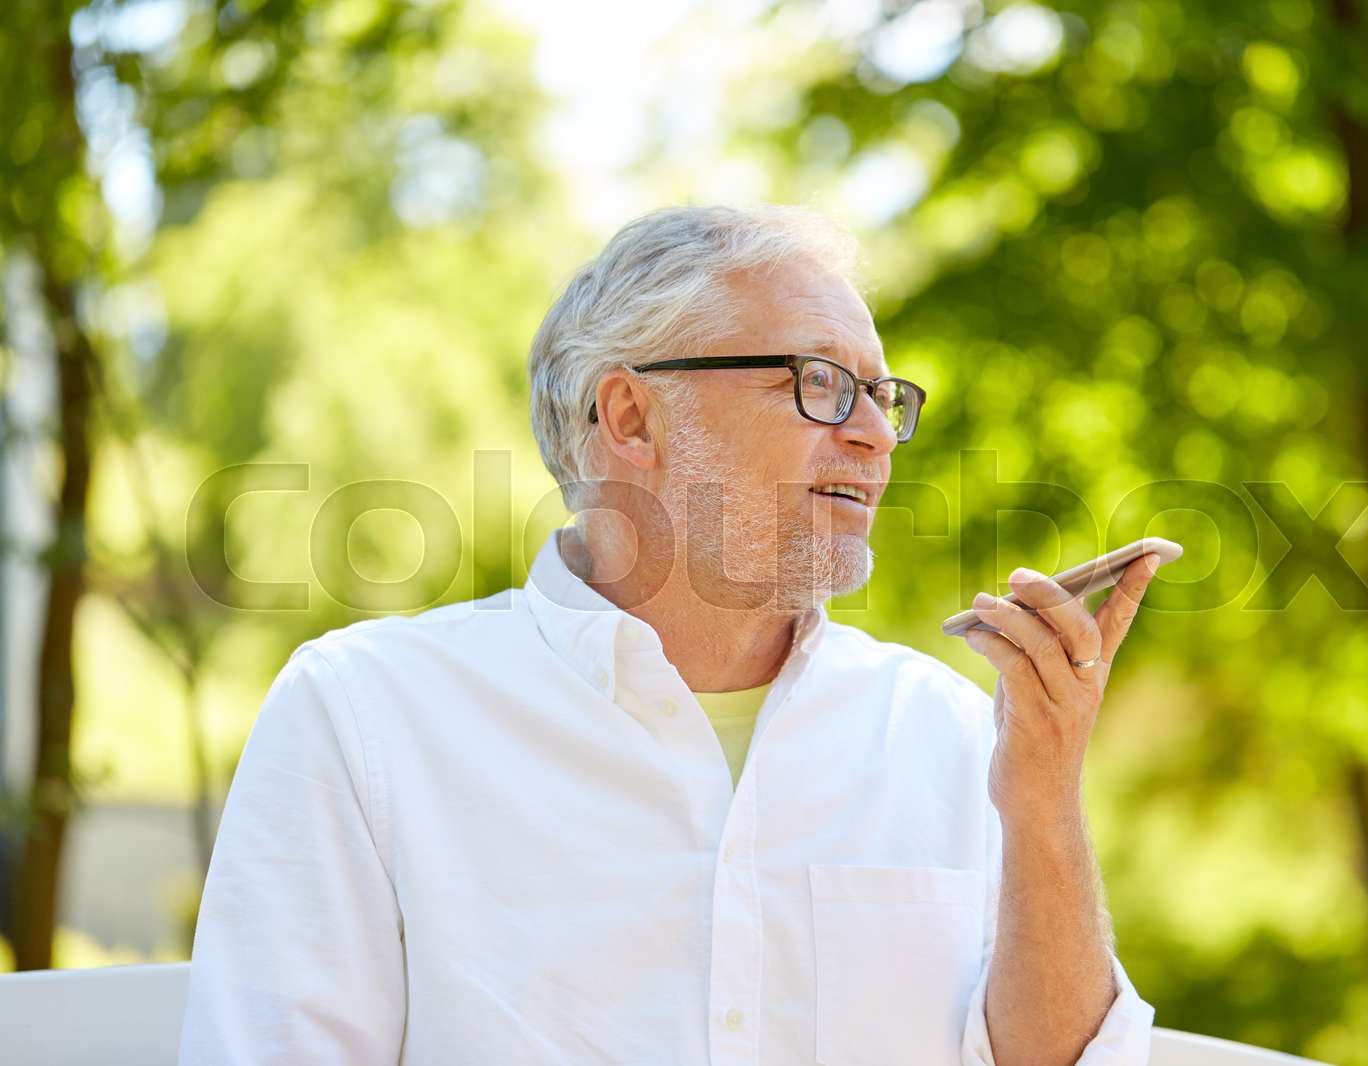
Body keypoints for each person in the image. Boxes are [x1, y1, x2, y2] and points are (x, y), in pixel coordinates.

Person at [177, 203, 1160, 1065]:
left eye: (882, 395)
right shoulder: (364, 716)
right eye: (821, 382)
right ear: (632, 417)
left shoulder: (948, 729)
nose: (873, 434)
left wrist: (1043, 803)